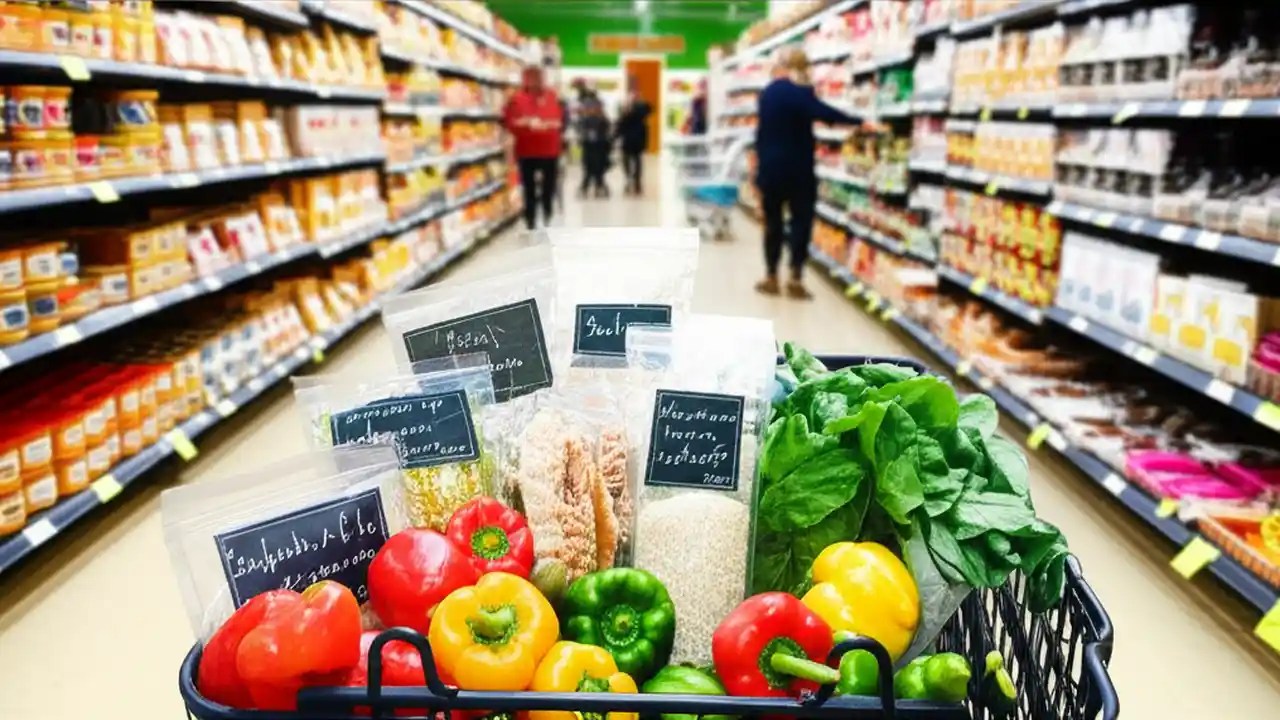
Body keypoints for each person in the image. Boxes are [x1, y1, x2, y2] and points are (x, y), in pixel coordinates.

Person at [754, 47, 860, 299]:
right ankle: (795, 276)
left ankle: (771, 276)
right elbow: (823, 112)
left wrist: (756, 171)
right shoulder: (801, 93)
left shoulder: (768, 93)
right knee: (800, 222)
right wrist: (857, 121)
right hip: (799, 170)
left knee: (773, 224)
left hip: (770, 169)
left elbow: (762, 133)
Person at [503, 65, 563, 230]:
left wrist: (553, 124)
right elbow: (510, 122)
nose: (537, 81)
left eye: (539, 77)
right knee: (528, 186)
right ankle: (530, 217)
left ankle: (547, 211)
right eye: (533, 77)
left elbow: (559, 119)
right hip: (527, 149)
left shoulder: (552, 96)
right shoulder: (517, 99)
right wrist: (525, 123)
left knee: (548, 185)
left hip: (550, 148)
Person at [614, 80, 652, 195]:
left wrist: (634, 104)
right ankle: (630, 179)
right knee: (627, 160)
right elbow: (621, 123)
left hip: (637, 139)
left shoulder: (641, 107)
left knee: (636, 160)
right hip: (628, 139)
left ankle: (636, 182)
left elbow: (648, 110)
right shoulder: (626, 108)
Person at [578, 98, 612, 198]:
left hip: (599, 148)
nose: (593, 109)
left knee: (598, 169)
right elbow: (582, 132)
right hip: (590, 147)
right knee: (589, 169)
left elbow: (606, 132)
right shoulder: (585, 120)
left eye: (595, 107)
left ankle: (597, 186)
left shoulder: (603, 119)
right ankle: (588, 186)